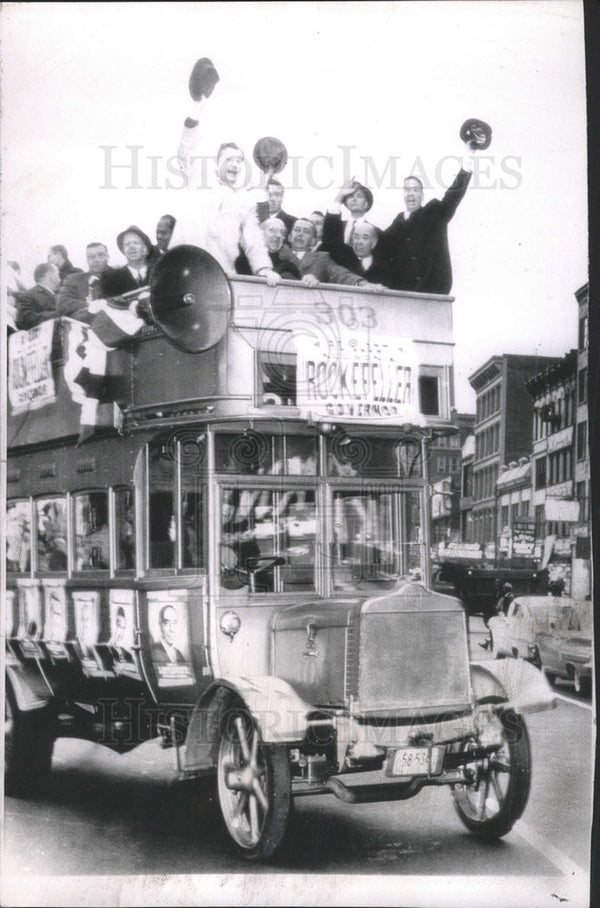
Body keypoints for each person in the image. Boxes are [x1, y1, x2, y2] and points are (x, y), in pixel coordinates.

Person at [175, 92, 279, 286]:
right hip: (182, 269)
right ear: (217, 163)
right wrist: (198, 106)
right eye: (229, 159)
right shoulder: (198, 181)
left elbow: (253, 238)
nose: (235, 164)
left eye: (239, 161)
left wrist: (264, 268)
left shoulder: (243, 201)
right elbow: (185, 150)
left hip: (219, 276)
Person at [380, 132, 483, 294]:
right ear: (403, 194)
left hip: (434, 292)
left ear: (422, 195)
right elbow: (376, 242)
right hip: (405, 298)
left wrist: (469, 154)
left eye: (415, 190)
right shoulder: (396, 224)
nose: (411, 194)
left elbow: (454, 193)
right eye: (407, 190)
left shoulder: (435, 213)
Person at [287, 218, 379, 287]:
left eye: (306, 231)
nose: (300, 234)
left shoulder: (322, 259)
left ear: (313, 241)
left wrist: (362, 284)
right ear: (289, 236)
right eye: (297, 230)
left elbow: (341, 275)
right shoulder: (277, 255)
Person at [321, 179, 375, 264]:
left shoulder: (374, 231)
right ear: (345, 203)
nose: (354, 199)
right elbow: (327, 239)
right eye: (350, 196)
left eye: (359, 196)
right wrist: (340, 196)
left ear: (366, 204)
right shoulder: (336, 226)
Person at [57, 242, 112, 324]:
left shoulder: (120, 277)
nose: (95, 260)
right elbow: (62, 304)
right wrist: (91, 306)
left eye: (100, 255)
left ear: (107, 257)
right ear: (87, 260)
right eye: (90, 257)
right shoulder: (73, 279)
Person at [15, 263, 60, 330]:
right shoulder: (28, 295)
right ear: (51, 275)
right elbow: (25, 320)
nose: (60, 278)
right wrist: (59, 314)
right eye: (58, 274)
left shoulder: (59, 296)